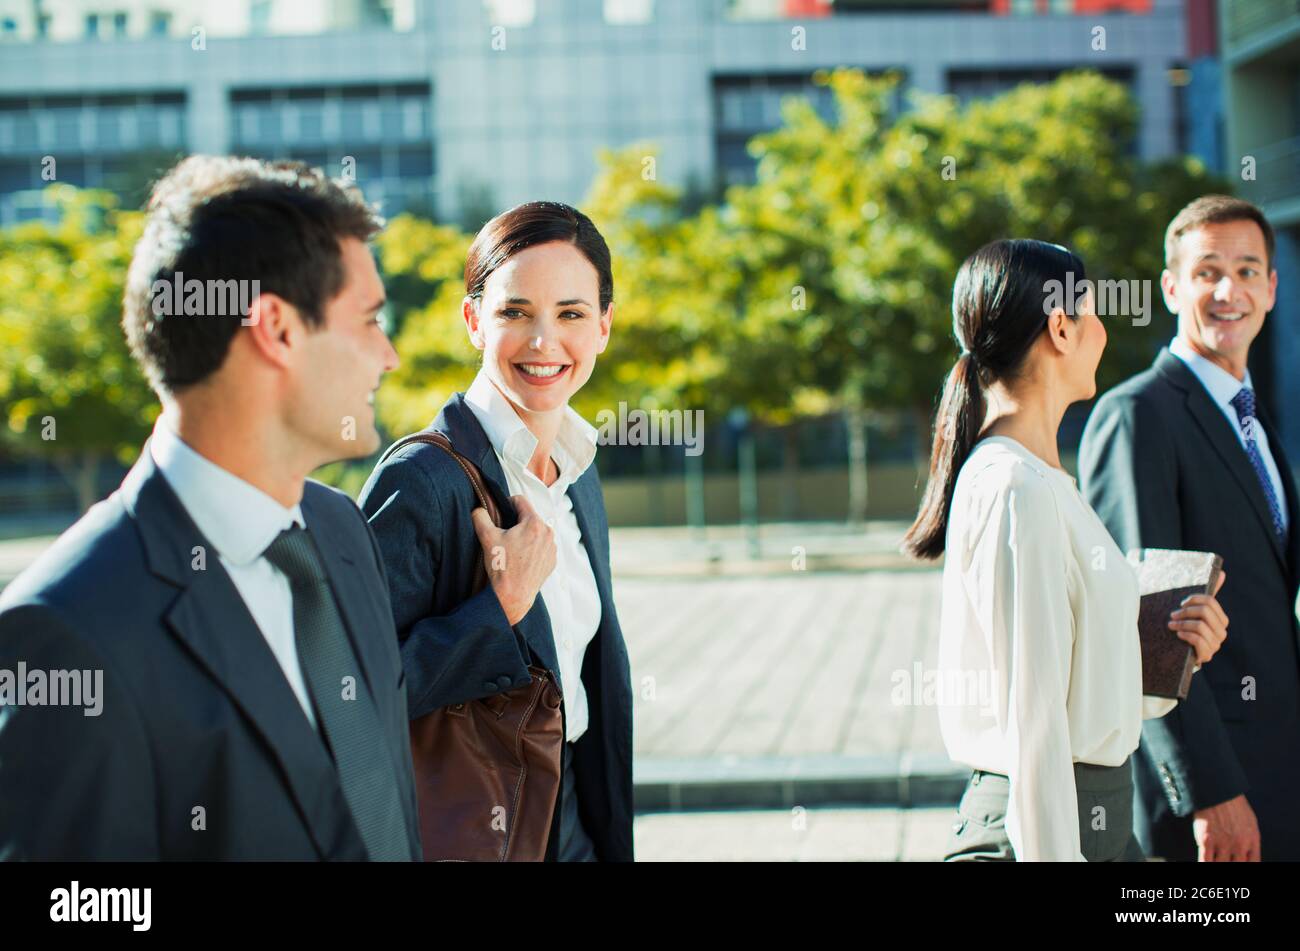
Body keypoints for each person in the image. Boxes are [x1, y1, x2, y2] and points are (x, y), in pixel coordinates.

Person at [0, 156, 421, 860]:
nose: (390, 355)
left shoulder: (343, 531)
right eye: (371, 319)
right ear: (277, 329)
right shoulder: (67, 630)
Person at [902, 238, 1228, 861]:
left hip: (1096, 826)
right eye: (1095, 313)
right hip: (1045, 835)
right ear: (1060, 327)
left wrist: (1175, 653)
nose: (1103, 332)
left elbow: (1079, 693)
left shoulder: (1043, 481)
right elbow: (1035, 725)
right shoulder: (1015, 485)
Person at [359, 200, 634, 862]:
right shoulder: (422, 478)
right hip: (478, 830)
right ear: (473, 320)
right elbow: (356, 695)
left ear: (603, 326)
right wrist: (499, 609)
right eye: (514, 312)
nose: (544, 341)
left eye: (570, 313)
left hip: (575, 820)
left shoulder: (580, 472)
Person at [1080, 195, 1300, 862]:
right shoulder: (1140, 415)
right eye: (1207, 271)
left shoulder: (1255, 421)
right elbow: (1145, 629)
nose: (1228, 289)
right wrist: (1210, 792)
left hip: (1278, 768)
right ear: (1172, 286)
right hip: (1215, 796)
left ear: (1271, 286)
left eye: (1247, 269)